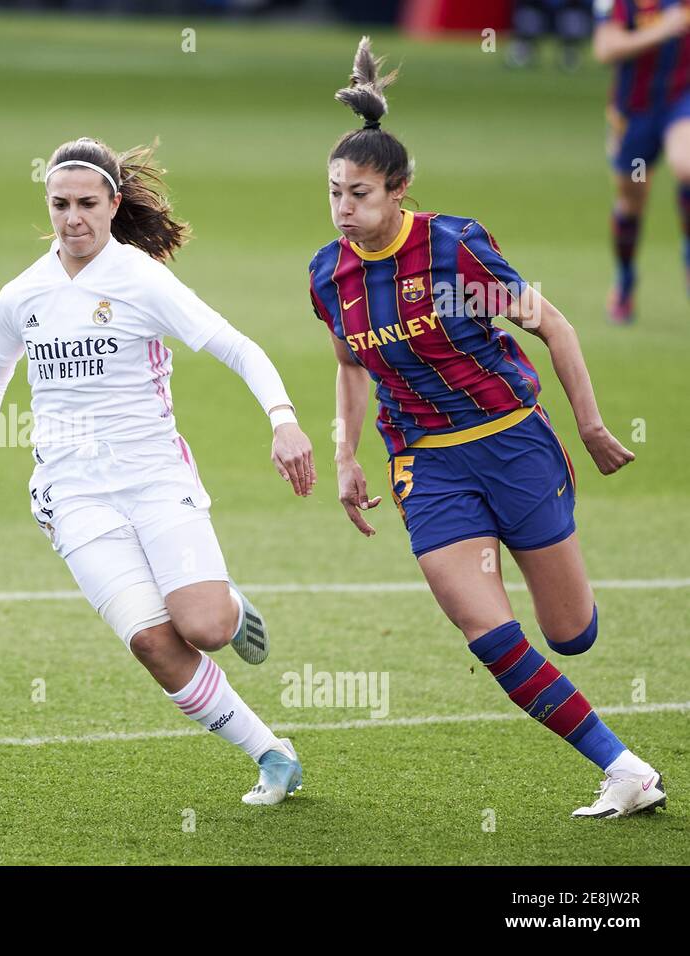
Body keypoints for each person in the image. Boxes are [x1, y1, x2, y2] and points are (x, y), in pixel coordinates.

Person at [310, 37, 666, 818]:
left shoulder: (453, 248)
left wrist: (593, 427)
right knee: (484, 626)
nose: (344, 209)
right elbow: (351, 365)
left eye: (360, 193)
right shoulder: (328, 275)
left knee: (570, 635)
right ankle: (624, 768)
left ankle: (540, 560)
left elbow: (555, 327)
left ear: (399, 191)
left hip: (512, 441)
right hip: (427, 465)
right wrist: (346, 454)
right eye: (335, 192)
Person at [0, 137, 316, 805]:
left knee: (201, 627)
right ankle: (270, 753)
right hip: (73, 494)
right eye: (59, 204)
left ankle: (230, 611)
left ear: (115, 204)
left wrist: (282, 417)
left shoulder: (142, 280)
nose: (73, 219)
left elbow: (235, 345)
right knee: (153, 643)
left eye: (88, 203)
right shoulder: (23, 295)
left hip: (155, 479)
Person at [593, 0, 690, 323]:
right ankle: (625, 279)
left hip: (681, 100)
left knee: (685, 165)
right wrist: (663, 29)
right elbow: (605, 49)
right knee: (631, 202)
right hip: (634, 111)